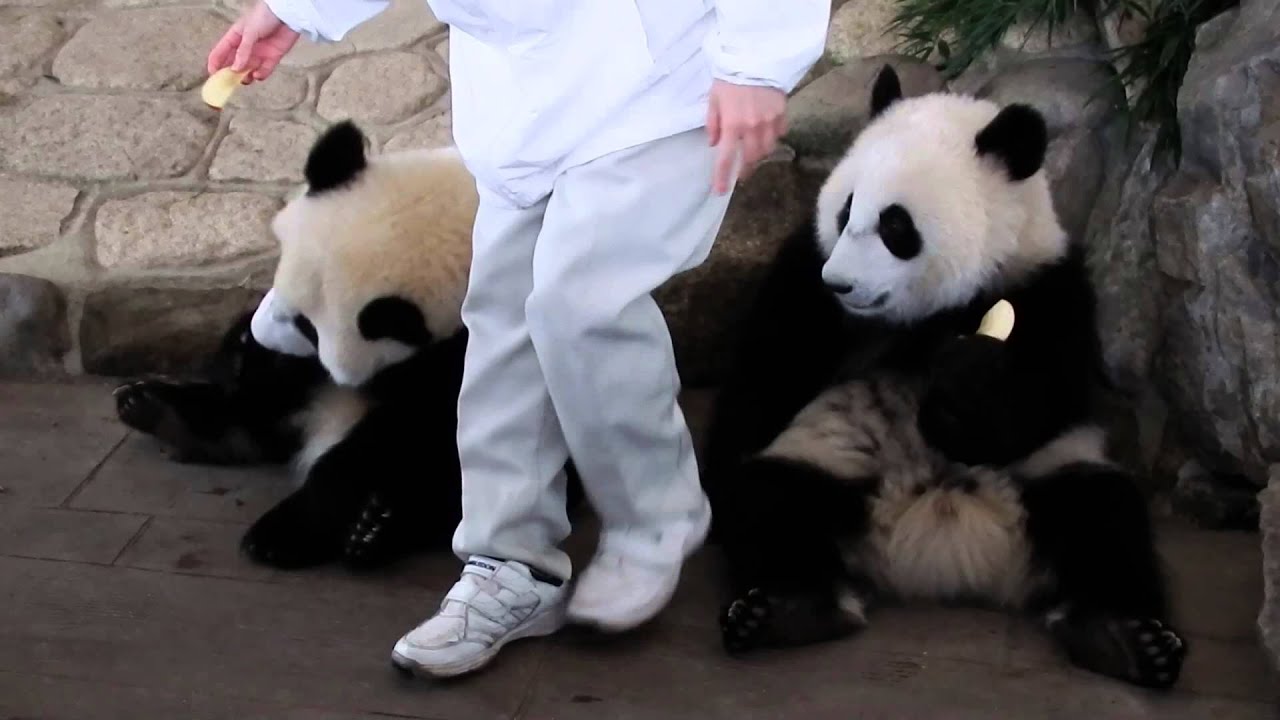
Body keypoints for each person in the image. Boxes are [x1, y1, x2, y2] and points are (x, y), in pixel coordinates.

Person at [209, 0, 830, 678]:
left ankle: (653, 521)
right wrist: (294, 8)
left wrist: (757, 64)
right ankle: (508, 563)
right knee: (503, 322)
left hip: (662, 82)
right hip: (518, 93)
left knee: (580, 301)